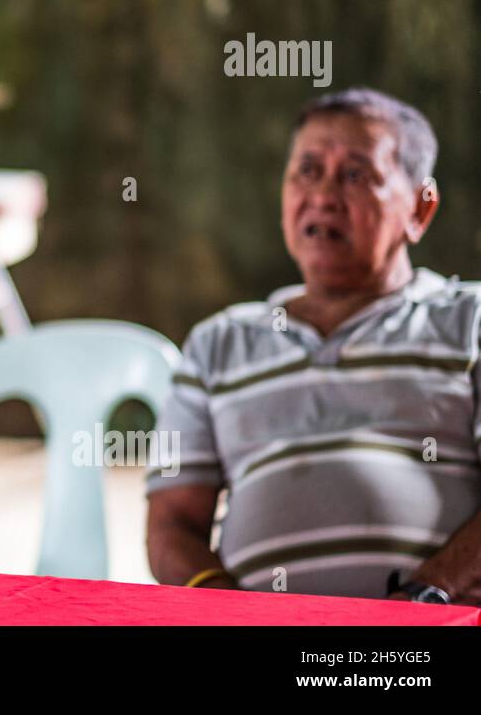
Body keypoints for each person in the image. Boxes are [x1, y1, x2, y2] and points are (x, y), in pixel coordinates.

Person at [146, 87, 481, 604]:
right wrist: (229, 612)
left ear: (420, 208)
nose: (323, 195)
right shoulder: (217, 343)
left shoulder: (470, 319)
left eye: (354, 174)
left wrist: (425, 601)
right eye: (306, 170)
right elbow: (171, 523)